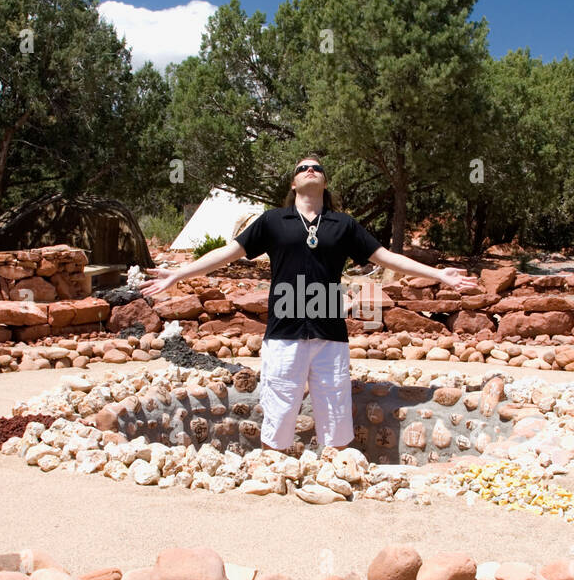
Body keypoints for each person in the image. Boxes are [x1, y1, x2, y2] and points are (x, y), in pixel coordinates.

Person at [141, 154, 480, 452]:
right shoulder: (274, 220)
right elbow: (227, 253)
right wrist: (177, 274)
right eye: (303, 168)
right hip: (284, 333)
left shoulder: (343, 224)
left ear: (324, 180)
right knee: (278, 412)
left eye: (316, 168)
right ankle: (272, 479)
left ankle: (337, 478)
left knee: (335, 415)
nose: (310, 170)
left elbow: (388, 258)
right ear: (294, 181)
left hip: (330, 334)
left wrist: (441, 275)